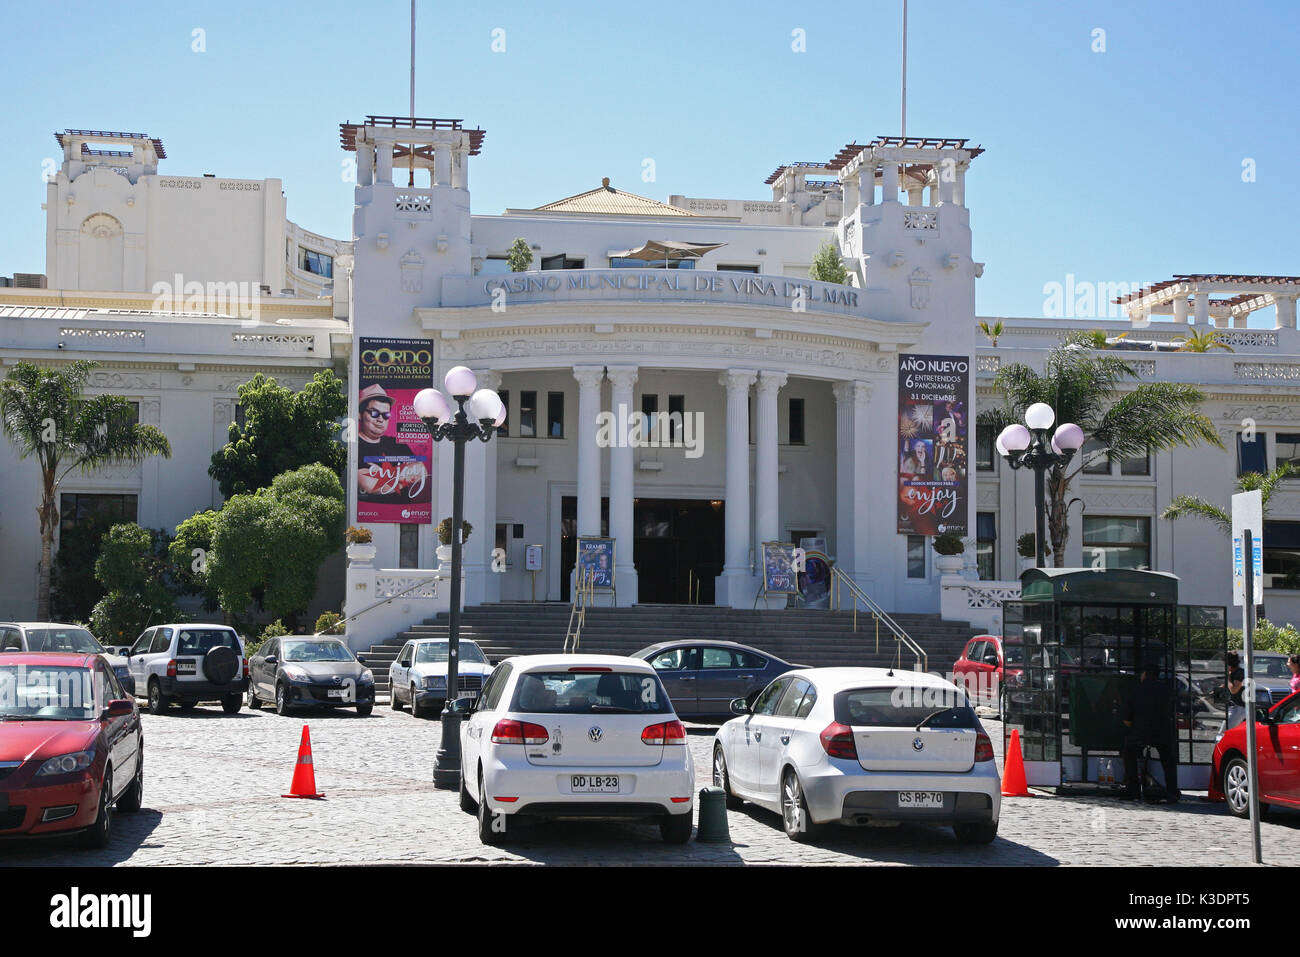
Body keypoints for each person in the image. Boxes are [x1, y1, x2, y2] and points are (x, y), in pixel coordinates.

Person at [357, 384, 429, 506]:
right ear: (359, 414)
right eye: (374, 413)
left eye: (386, 415)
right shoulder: (355, 447)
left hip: (406, 516)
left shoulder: (396, 444)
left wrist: (387, 479)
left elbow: (422, 470)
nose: (380, 419)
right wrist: (404, 475)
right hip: (370, 516)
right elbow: (372, 486)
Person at [1121, 662, 1180, 803]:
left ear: (1144, 674)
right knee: (1168, 760)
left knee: (1128, 753)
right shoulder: (1166, 690)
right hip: (1163, 732)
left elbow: (1126, 718)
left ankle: (1133, 789)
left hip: (1140, 732)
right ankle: (1172, 791)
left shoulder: (1136, 690)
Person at [1224, 651, 1246, 732]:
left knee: (1226, 732)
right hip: (1231, 706)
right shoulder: (1232, 673)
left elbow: (1234, 690)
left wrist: (1227, 677)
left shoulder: (1239, 673)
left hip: (1238, 707)